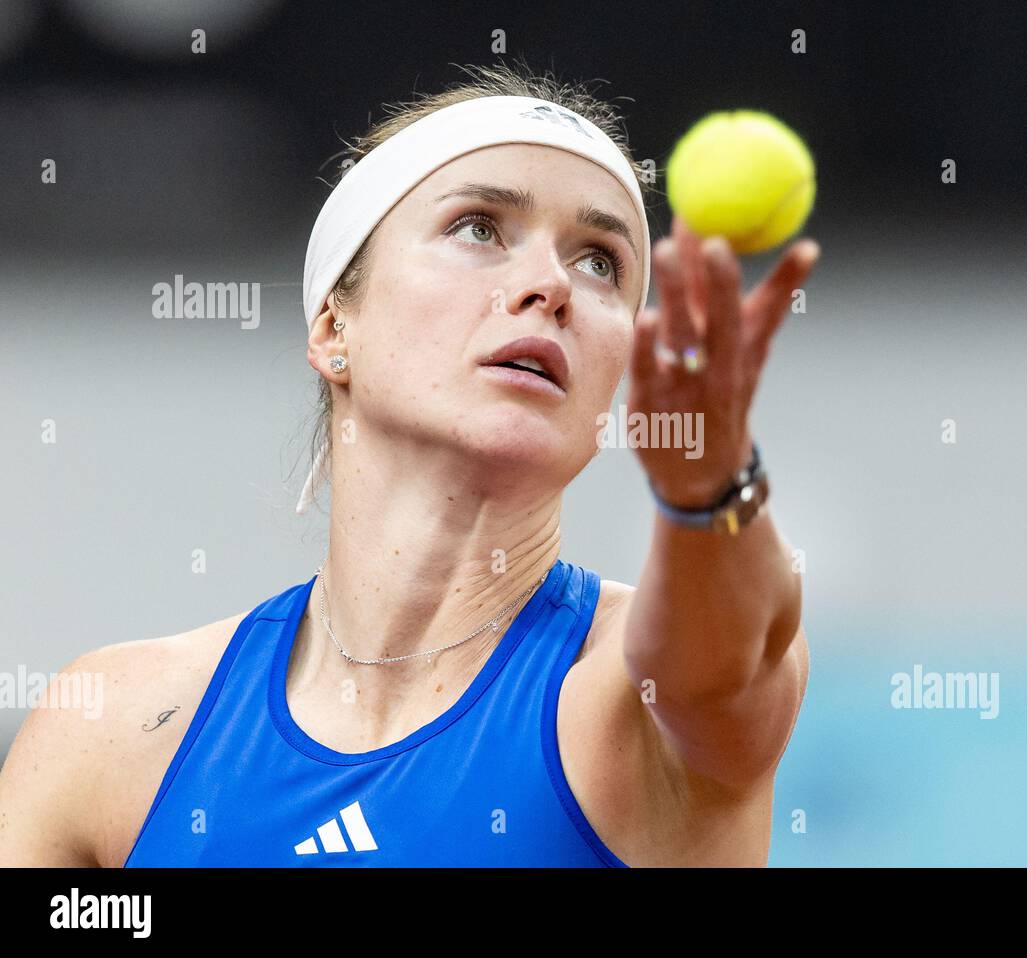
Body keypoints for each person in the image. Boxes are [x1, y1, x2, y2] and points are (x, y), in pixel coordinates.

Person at [0, 62, 818, 867]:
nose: (549, 285)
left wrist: (711, 490)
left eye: (599, 261)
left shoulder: (625, 697)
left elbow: (729, 660)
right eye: (479, 228)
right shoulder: (114, 728)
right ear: (332, 327)